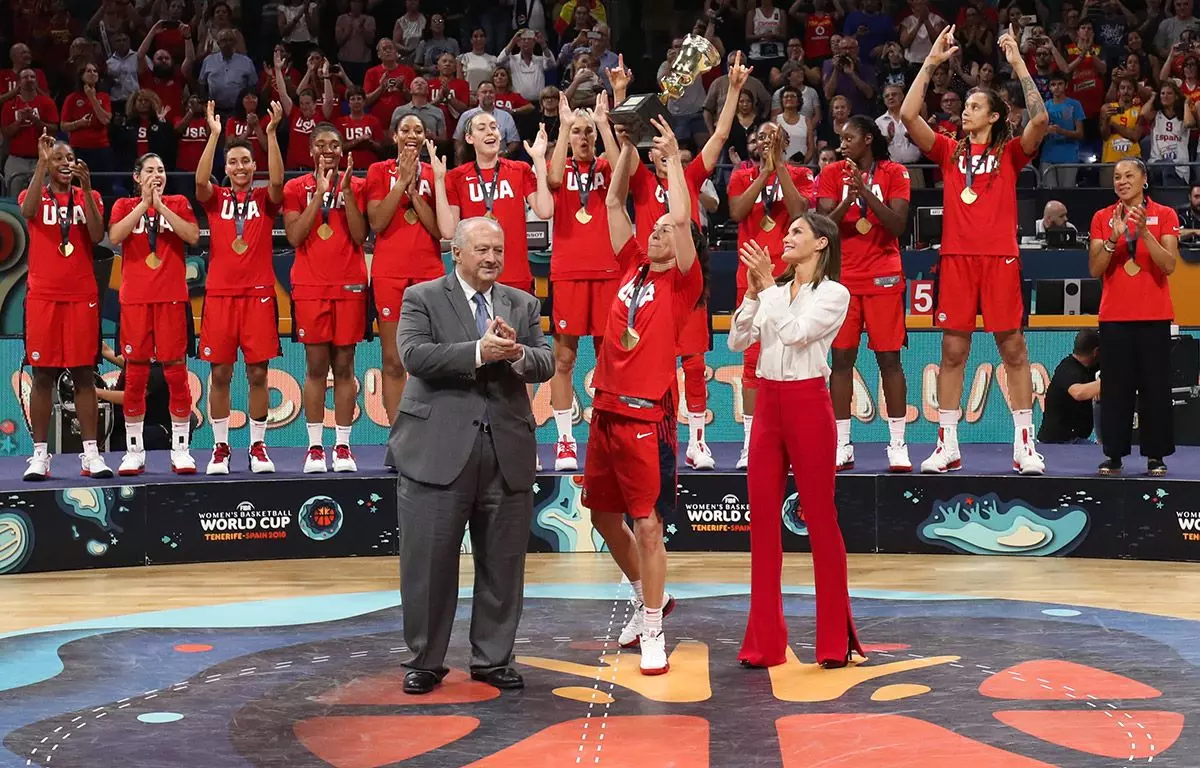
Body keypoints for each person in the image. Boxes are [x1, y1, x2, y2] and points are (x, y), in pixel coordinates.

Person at [390, 217, 554, 695]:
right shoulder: (421, 297)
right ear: (456, 253)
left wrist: (517, 352)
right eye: (482, 249)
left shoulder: (521, 303)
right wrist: (480, 352)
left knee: (503, 564)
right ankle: (424, 660)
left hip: (506, 451)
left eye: (498, 250)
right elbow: (414, 356)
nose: (491, 258)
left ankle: (493, 658)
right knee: (428, 565)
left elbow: (545, 362)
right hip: (436, 452)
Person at [900, 25, 1049, 475]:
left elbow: (1040, 120)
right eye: (965, 105)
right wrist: (930, 62)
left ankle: (1024, 445)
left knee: (1014, 348)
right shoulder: (949, 151)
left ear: (995, 117)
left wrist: (1019, 62)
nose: (966, 111)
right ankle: (947, 444)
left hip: (1000, 259)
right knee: (951, 351)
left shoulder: (1010, 154)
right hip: (957, 261)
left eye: (975, 106)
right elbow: (908, 116)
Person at [586, 118, 702, 674]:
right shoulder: (631, 268)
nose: (654, 232)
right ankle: (646, 593)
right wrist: (627, 147)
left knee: (649, 525)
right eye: (650, 230)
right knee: (605, 519)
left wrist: (674, 160)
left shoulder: (682, 283)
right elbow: (613, 204)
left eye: (662, 232)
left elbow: (679, 215)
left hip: (645, 417)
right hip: (605, 410)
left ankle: (654, 629)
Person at [728, 212, 863, 669]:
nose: (785, 238)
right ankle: (764, 643)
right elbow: (735, 341)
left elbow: (796, 334)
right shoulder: (774, 289)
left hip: (808, 405)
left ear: (821, 243)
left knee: (820, 519)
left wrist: (766, 289)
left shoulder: (835, 294)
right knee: (762, 525)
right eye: (786, 232)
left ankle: (833, 640)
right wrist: (752, 296)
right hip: (766, 405)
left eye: (796, 232)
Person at [614, 53, 750, 470]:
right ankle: (650, 436)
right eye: (653, 146)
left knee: (693, 362)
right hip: (647, 280)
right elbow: (623, 141)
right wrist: (621, 93)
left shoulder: (689, 179)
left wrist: (734, 90)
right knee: (650, 363)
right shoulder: (638, 181)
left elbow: (722, 133)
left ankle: (698, 442)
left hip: (687, 278)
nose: (659, 150)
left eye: (667, 145)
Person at [433, 114, 554, 464]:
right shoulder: (457, 177)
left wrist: (540, 163)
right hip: (471, 287)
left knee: (519, 362)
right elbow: (447, 228)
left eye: (495, 127)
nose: (492, 131)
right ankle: (471, 443)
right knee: (474, 361)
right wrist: (440, 182)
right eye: (482, 127)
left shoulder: (518, 170)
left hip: (515, 282)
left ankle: (521, 441)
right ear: (468, 138)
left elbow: (544, 209)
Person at [195, 100, 286, 475]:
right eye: (233, 162)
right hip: (219, 295)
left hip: (259, 294)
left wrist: (270, 134)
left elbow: (279, 183)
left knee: (258, 373)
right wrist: (215, 136)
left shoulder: (265, 200)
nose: (240, 167)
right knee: (219, 373)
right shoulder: (216, 200)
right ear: (227, 168)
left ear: (254, 166)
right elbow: (200, 182)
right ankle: (220, 448)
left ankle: (258, 447)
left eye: (245, 161)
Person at [817, 115, 912, 472]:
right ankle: (842, 442)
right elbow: (826, 228)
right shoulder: (831, 174)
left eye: (849, 137)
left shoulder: (895, 173)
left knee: (889, 359)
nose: (842, 144)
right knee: (841, 361)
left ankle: (898, 444)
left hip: (884, 277)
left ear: (868, 139)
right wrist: (849, 197)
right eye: (840, 138)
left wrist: (866, 192)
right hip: (842, 279)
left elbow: (897, 225)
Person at [19, 133, 111, 480]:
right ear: (47, 161)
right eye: (58, 158)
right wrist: (41, 164)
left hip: (81, 295)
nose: (65, 163)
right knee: (43, 374)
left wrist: (86, 190)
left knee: (83, 373)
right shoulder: (35, 195)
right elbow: (26, 213)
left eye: (69, 158)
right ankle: (40, 456)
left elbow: (98, 234)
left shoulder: (91, 196)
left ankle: (91, 454)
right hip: (43, 295)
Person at [727, 121, 814, 469]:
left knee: (792, 360)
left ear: (785, 141)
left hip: (791, 278)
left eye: (772, 136)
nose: (765, 141)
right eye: (761, 136)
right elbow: (736, 212)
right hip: (750, 280)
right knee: (752, 364)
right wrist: (763, 174)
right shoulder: (740, 176)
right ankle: (751, 444)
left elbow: (800, 213)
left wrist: (779, 168)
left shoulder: (801, 173)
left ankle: (792, 443)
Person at [283, 124, 369, 473]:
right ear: (310, 152)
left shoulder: (358, 186)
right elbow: (294, 235)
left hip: (349, 286)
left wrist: (345, 192)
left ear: (343, 150)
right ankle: (316, 448)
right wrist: (318, 195)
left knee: (345, 367)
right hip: (310, 288)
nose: (328, 150)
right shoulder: (294, 188)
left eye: (334, 144)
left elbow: (361, 235)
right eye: (320, 145)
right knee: (316, 368)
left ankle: (344, 447)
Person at [109, 153, 201, 475]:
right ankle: (134, 451)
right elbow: (116, 237)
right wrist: (143, 204)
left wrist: (159, 206)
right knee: (135, 375)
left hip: (171, 300)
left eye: (161, 170)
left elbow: (192, 237)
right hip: (135, 301)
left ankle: (181, 449)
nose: (156, 175)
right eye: (149, 170)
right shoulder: (122, 205)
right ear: (137, 177)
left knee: (176, 372)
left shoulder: (177, 202)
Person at [1088, 158, 1179, 476]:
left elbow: (1168, 265)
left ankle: (1156, 456)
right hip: (1114, 317)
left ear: (1144, 180)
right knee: (1115, 390)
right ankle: (1113, 455)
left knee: (1156, 389)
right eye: (1116, 176)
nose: (1122, 181)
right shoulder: (1101, 217)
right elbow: (1095, 268)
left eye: (1129, 175)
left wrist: (1144, 234)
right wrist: (1113, 238)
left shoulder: (1165, 215)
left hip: (1154, 316)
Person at [545, 92, 619, 470]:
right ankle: (564, 441)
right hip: (569, 272)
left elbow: (625, 171)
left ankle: (606, 437)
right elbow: (553, 178)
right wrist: (563, 127)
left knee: (610, 360)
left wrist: (604, 123)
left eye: (588, 131)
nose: (584, 137)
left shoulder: (607, 168)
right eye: (578, 132)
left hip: (608, 271)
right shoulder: (561, 164)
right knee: (564, 358)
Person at [366, 114, 440, 467]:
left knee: (432, 361)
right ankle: (399, 440)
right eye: (406, 129)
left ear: (426, 138)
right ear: (394, 135)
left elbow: (440, 230)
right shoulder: (378, 172)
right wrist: (400, 184)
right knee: (394, 361)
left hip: (429, 275)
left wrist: (415, 191)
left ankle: (433, 437)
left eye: (419, 131)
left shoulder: (436, 171)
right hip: (389, 274)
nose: (413, 135)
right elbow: (378, 222)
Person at [1038, 329, 1101, 444]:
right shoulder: (1067, 368)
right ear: (1096, 351)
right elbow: (1078, 393)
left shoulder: (1093, 367)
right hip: (1057, 442)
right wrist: (1108, 383)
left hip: (1078, 438)